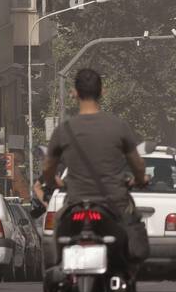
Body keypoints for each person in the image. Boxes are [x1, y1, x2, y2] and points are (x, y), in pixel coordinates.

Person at [37, 68, 148, 276]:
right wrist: (140, 179)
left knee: (57, 228)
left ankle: (61, 276)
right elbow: (138, 165)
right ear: (102, 92)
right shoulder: (118, 126)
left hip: (75, 204)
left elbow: (47, 168)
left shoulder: (64, 130)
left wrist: (53, 182)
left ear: (75, 93)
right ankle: (125, 280)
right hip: (114, 206)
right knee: (132, 232)